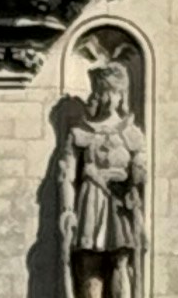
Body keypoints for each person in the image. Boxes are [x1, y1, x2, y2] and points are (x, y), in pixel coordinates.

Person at [57, 57, 148, 298]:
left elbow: (140, 172)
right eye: (104, 92)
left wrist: (137, 174)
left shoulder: (131, 132)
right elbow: (67, 174)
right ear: (96, 94)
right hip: (91, 199)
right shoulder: (80, 132)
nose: (109, 99)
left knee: (120, 259)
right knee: (89, 261)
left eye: (115, 93)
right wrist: (67, 209)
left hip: (118, 202)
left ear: (122, 96)